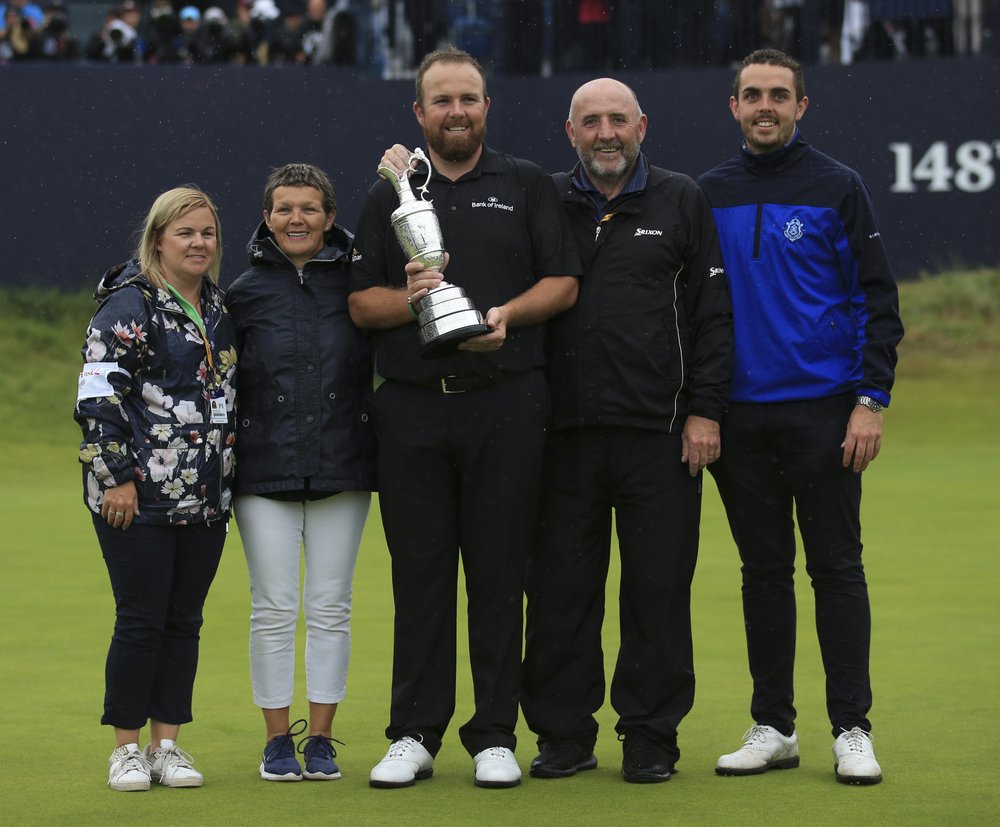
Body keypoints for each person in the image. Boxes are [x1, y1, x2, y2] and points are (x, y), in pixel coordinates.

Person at [349, 46, 580, 789]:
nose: (457, 112)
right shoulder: (390, 193)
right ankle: (414, 731)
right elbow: (361, 303)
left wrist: (507, 313)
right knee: (419, 575)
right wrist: (416, 296)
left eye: (469, 99)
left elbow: (564, 281)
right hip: (412, 410)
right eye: (442, 101)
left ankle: (493, 733)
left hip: (507, 402)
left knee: (498, 571)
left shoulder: (527, 183)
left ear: (487, 106)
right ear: (419, 112)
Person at [696, 48, 904, 785]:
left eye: (779, 95)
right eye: (752, 94)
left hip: (825, 413)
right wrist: (701, 407)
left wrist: (870, 400)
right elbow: (691, 311)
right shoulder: (707, 193)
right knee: (763, 573)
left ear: (801, 106)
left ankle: (851, 726)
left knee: (837, 569)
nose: (765, 106)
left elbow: (879, 301)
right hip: (739, 420)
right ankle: (774, 724)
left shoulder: (837, 186)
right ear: (733, 106)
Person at [520, 78, 733, 784]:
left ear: (641, 124)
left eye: (617, 119)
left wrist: (705, 408)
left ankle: (649, 734)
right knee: (559, 593)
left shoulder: (680, 198)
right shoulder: (546, 198)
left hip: (659, 434)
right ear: (569, 131)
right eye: (591, 122)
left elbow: (711, 313)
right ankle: (563, 733)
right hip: (562, 436)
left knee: (657, 591)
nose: (605, 132)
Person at [74, 186, 238, 791]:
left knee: (184, 620)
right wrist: (114, 479)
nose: (199, 243)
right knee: (141, 619)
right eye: (185, 233)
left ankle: (168, 745)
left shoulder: (221, 307)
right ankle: (126, 748)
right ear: (158, 240)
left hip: (206, 500)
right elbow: (98, 400)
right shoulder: (128, 305)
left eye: (207, 233)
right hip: (135, 499)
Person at [223, 163, 377, 782]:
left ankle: (321, 739)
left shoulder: (359, 286)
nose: (297, 220)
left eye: (309, 209)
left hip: (344, 464)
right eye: (284, 209)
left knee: (331, 605)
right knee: (274, 606)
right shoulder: (241, 292)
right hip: (264, 472)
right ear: (266, 218)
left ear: (330, 218)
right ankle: (275, 741)